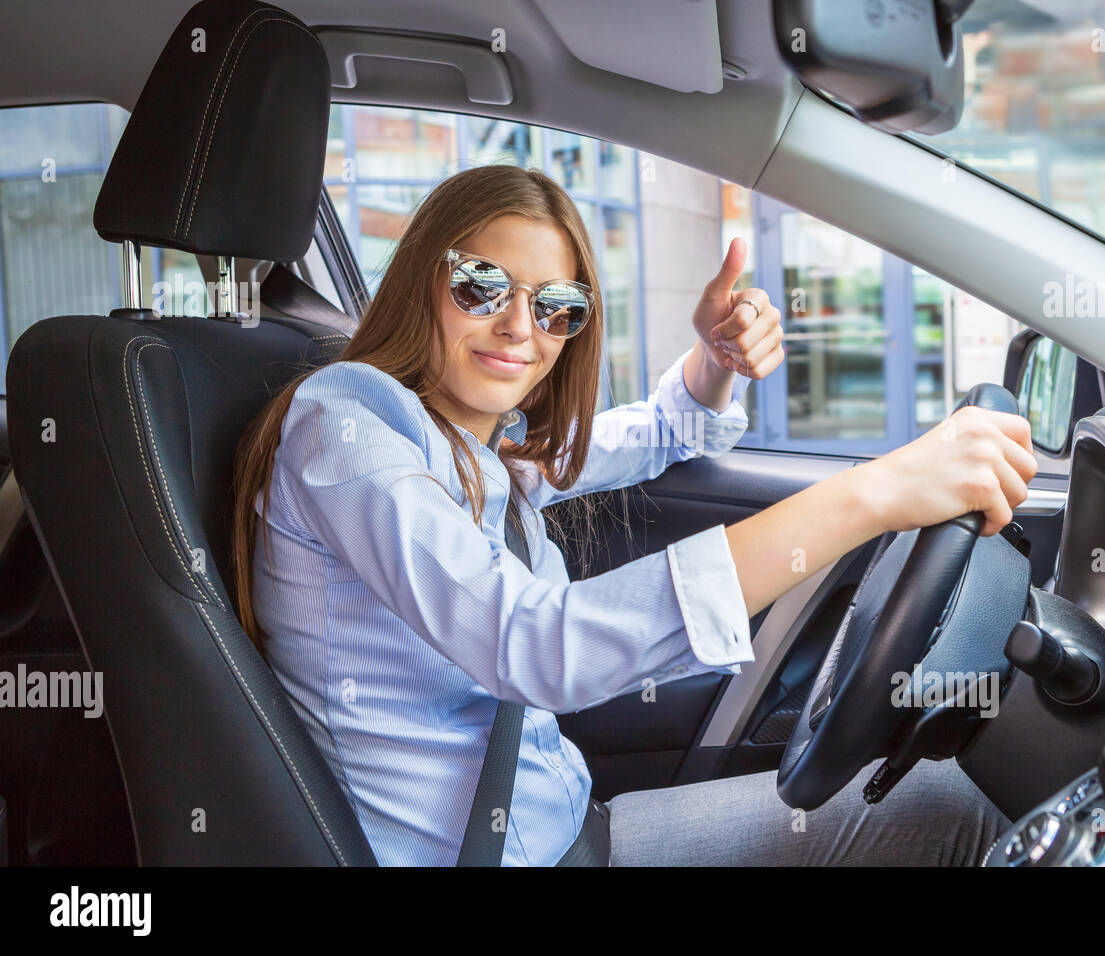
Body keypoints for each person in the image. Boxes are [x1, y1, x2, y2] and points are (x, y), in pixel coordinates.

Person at [231, 164, 1036, 866]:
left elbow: (652, 434)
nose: (520, 326)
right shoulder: (348, 422)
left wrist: (716, 361)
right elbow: (537, 645)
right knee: (957, 822)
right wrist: (877, 493)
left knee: (953, 804)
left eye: (556, 306)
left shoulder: (480, 452)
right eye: (480, 285)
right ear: (419, 282)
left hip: (574, 834)